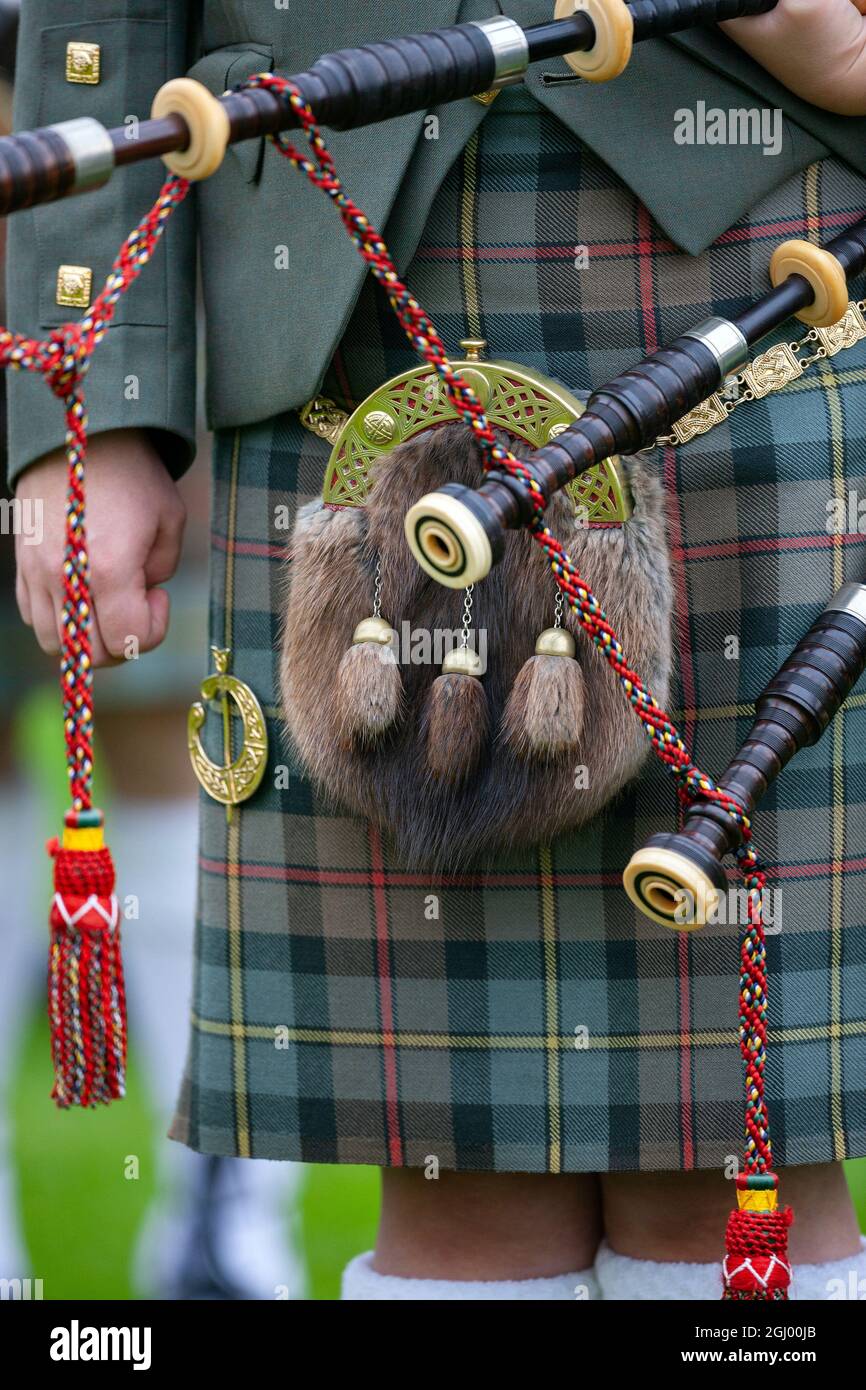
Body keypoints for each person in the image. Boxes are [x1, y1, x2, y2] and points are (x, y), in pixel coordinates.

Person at [9, 0, 866, 1301]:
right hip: (333, 267)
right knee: (450, 1174)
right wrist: (99, 391)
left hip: (757, 248)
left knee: (736, 1163)